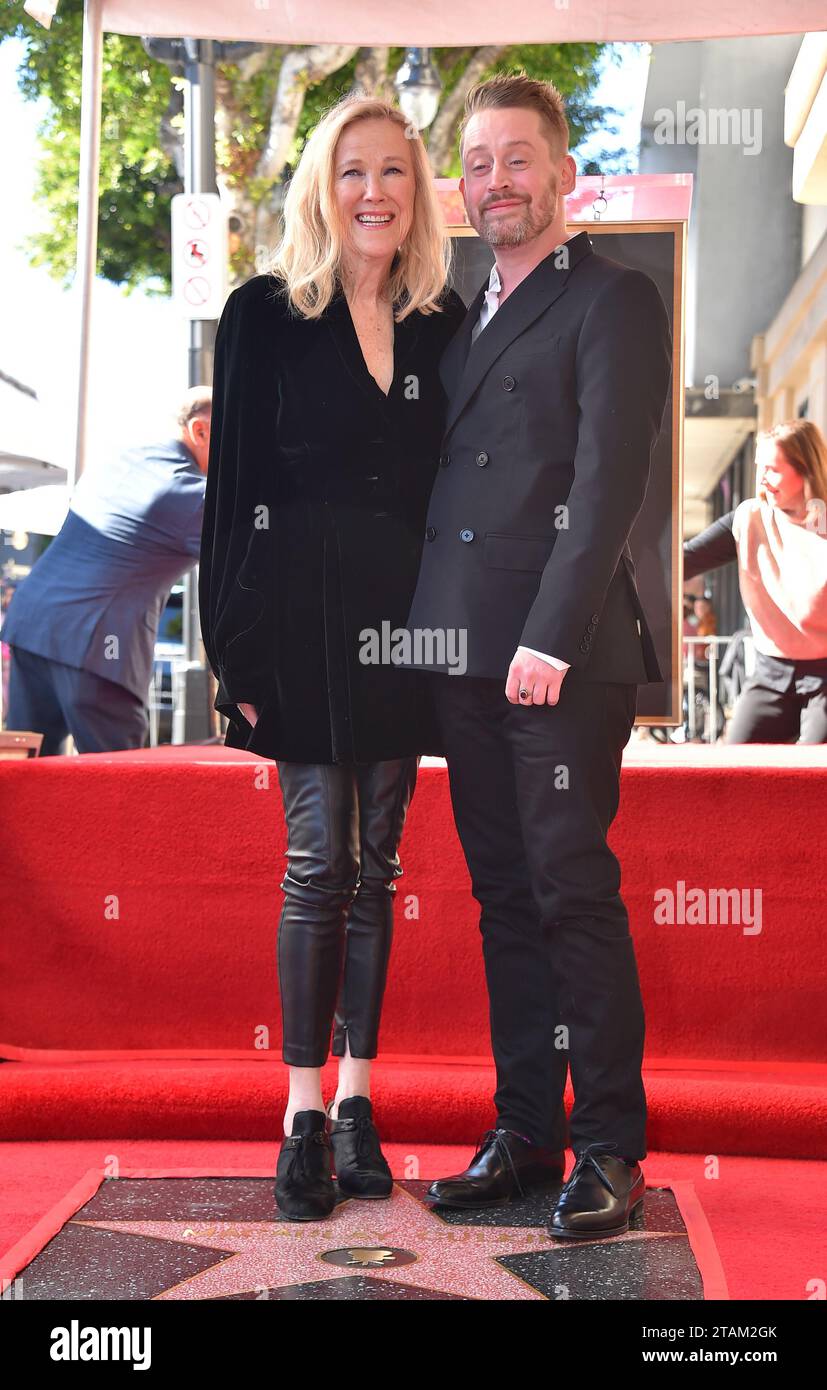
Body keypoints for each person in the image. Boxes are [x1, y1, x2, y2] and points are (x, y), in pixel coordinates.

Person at [402, 74, 672, 1239]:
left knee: (569, 894)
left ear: (563, 175)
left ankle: (608, 1144)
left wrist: (546, 640)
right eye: (475, 161)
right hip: (464, 654)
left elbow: (609, 482)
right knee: (503, 899)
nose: (494, 180)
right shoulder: (461, 310)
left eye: (517, 158)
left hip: (555, 654)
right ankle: (525, 1135)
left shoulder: (610, 296)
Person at [198, 94, 466, 1221]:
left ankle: (361, 1103)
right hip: (297, 625)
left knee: (383, 868)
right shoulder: (263, 313)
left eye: (392, 173)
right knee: (320, 862)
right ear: (322, 185)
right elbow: (232, 497)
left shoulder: (445, 322)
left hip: (406, 626)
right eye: (352, 171)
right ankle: (299, 1113)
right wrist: (232, 656)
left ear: (416, 193)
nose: (373, 193)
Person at [1, 389, 211, 754]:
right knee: (118, 788)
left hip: (34, 623)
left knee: (27, 773)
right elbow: (252, 563)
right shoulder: (189, 492)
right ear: (201, 431)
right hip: (97, 642)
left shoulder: (118, 460)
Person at [684, 419, 827, 743]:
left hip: (825, 675)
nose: (762, 479)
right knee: (736, 770)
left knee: (814, 776)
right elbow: (685, 560)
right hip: (771, 670)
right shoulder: (750, 518)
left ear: (806, 469)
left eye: (773, 469)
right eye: (759, 467)